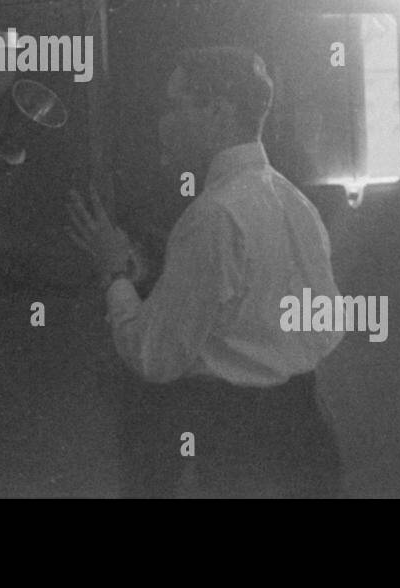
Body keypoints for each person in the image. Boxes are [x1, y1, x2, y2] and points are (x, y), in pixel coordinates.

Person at [67, 46, 343, 498]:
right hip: (306, 431)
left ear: (218, 110)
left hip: (237, 446)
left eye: (175, 105)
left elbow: (153, 357)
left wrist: (114, 271)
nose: (163, 122)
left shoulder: (215, 215)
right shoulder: (295, 203)